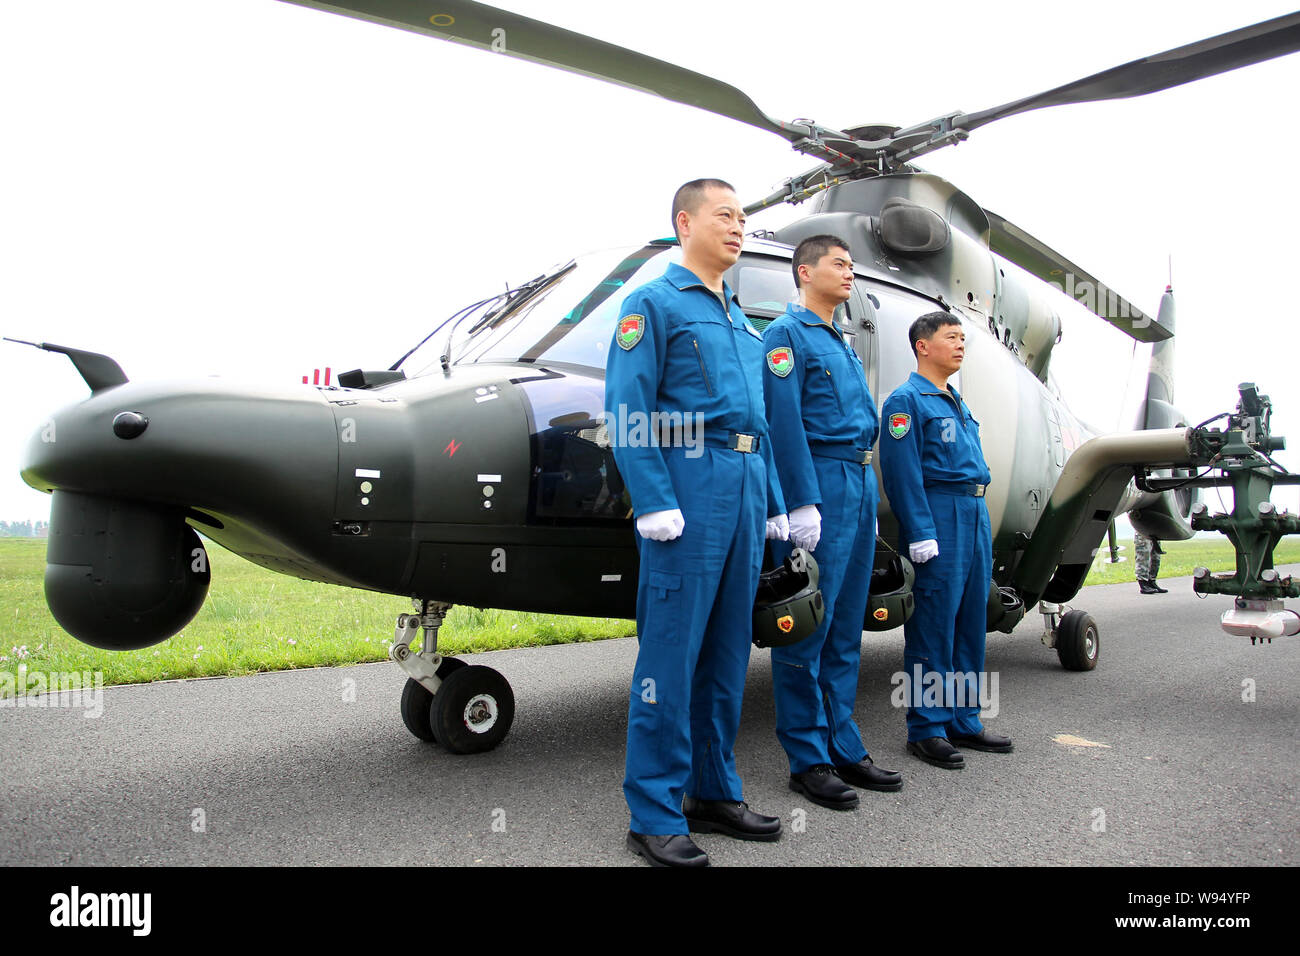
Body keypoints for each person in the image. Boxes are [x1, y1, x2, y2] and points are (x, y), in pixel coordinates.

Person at [604, 178, 790, 867]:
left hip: (741, 486)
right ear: (685, 223)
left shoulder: (743, 321)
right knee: (671, 655)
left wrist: (771, 502)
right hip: (688, 482)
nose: (739, 226)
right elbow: (628, 407)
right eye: (725, 215)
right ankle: (653, 810)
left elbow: (758, 426)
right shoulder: (652, 304)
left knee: (726, 652)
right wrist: (651, 498)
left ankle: (713, 790)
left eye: (744, 217)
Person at [762, 235, 902, 810]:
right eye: (839, 264)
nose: (850, 274)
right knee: (810, 623)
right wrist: (800, 501)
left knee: (846, 627)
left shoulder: (839, 339)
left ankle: (843, 743)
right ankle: (807, 758)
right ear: (804, 271)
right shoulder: (785, 336)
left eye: (852, 265)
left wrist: (866, 506)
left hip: (857, 482)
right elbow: (782, 421)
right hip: (820, 481)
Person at [878, 311, 1012, 769]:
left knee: (971, 621)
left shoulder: (955, 400)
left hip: (973, 512)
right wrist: (919, 531)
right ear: (922, 345)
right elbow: (901, 472)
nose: (960, 346)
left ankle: (964, 717)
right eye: (951, 338)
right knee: (933, 625)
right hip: (940, 513)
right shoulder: (906, 402)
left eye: (962, 338)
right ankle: (926, 727)